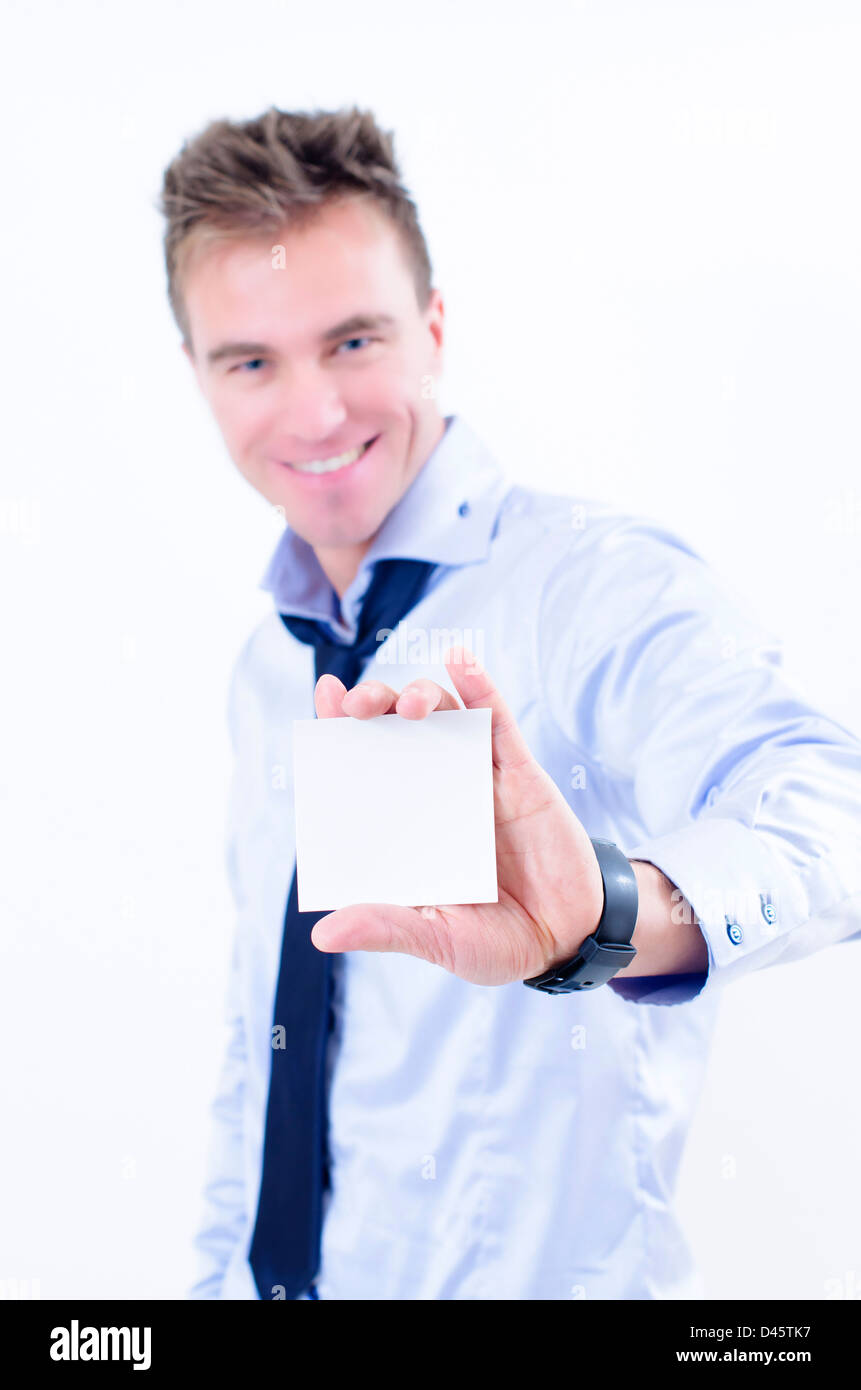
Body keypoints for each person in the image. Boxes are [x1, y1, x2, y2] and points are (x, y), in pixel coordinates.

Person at [157, 104, 861, 1300]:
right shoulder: (267, 669)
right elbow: (260, 1043)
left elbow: (832, 813)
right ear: (199, 376)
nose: (315, 412)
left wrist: (613, 913)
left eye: (355, 342)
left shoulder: (592, 586)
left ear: (433, 329)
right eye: (252, 361)